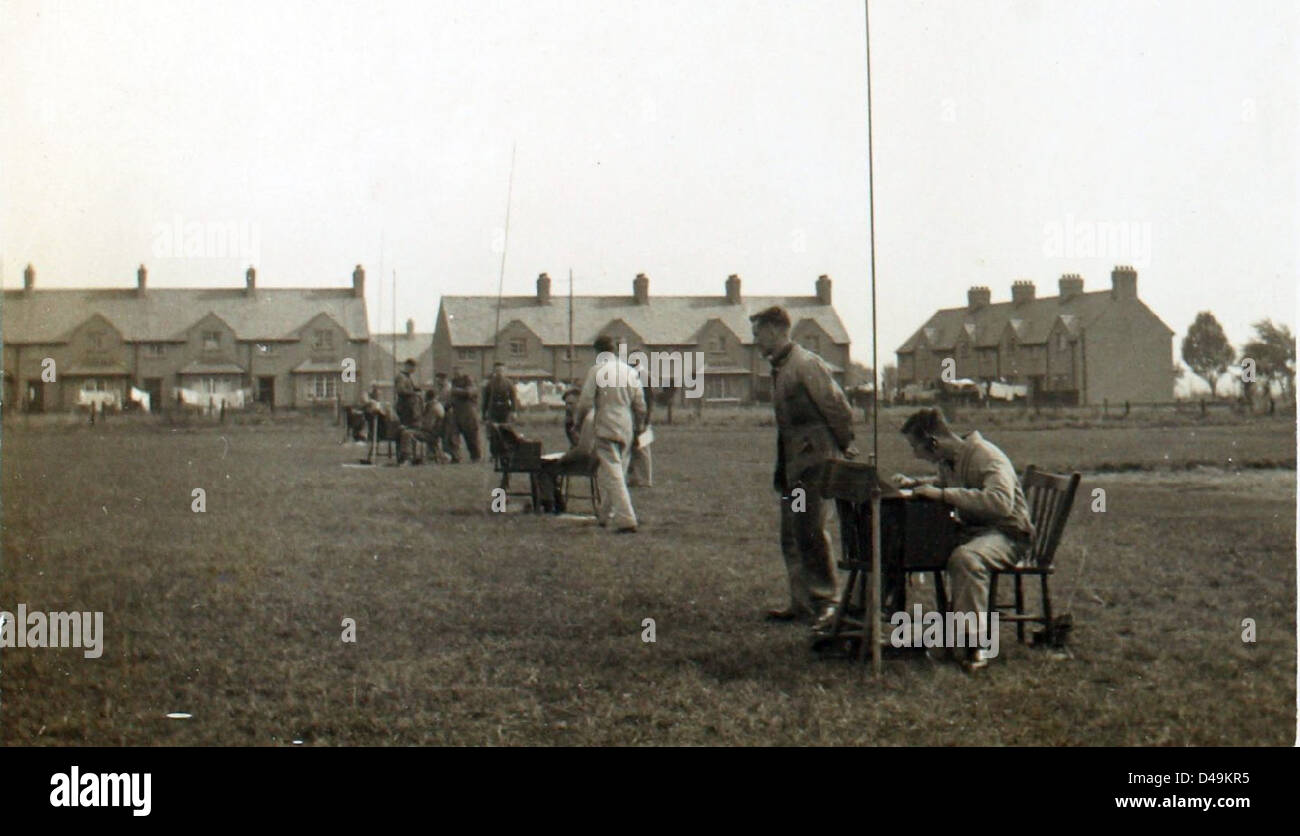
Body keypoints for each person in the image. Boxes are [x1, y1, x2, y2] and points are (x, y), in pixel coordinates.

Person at [893, 407, 1034, 670]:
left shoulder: (986, 456)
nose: (915, 454)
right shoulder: (951, 461)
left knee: (966, 559)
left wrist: (943, 495)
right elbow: (947, 485)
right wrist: (915, 484)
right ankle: (885, 625)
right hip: (977, 531)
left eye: (916, 447)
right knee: (905, 545)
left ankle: (974, 646)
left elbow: (1000, 503)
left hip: (1008, 535)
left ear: (933, 442)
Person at [750, 305, 857, 634]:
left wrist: (844, 448)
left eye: (758, 333)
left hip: (814, 466)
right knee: (793, 532)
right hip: (794, 467)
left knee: (811, 530)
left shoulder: (805, 364)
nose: (755, 341)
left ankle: (827, 602)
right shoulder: (781, 368)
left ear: (775, 330)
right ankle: (802, 602)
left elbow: (837, 408)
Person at [575, 335, 646, 533]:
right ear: (614, 350)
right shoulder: (630, 372)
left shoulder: (597, 370)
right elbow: (640, 404)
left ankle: (626, 518)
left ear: (597, 352)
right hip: (626, 425)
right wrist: (639, 426)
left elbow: (585, 402)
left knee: (613, 474)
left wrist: (578, 422)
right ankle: (604, 515)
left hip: (606, 424)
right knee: (618, 472)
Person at [627, 349, 654, 488]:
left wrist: (645, 421)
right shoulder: (633, 374)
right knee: (634, 449)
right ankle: (635, 478)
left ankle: (646, 479)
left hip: (642, 418)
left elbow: (648, 400)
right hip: (634, 417)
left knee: (643, 449)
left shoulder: (643, 375)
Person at [444, 366, 482, 463]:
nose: (456, 372)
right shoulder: (453, 382)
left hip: (468, 411)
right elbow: (451, 397)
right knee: (453, 435)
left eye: (458, 370)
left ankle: (476, 456)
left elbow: (469, 392)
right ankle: (456, 457)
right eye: (454, 370)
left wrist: (454, 390)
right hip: (456, 411)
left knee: (471, 435)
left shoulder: (468, 380)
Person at [398, 389, 446, 465]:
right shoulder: (438, 405)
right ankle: (410, 456)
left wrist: (411, 426)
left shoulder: (433, 407)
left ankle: (407, 458)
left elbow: (427, 426)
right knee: (408, 431)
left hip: (431, 434)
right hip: (434, 433)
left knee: (406, 433)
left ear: (427, 397)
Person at [394, 358, 421, 427]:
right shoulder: (401, 377)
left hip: (409, 408)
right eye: (413, 367)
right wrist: (413, 393)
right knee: (405, 426)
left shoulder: (407, 377)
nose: (414, 369)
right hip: (404, 407)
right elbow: (400, 390)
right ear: (407, 366)